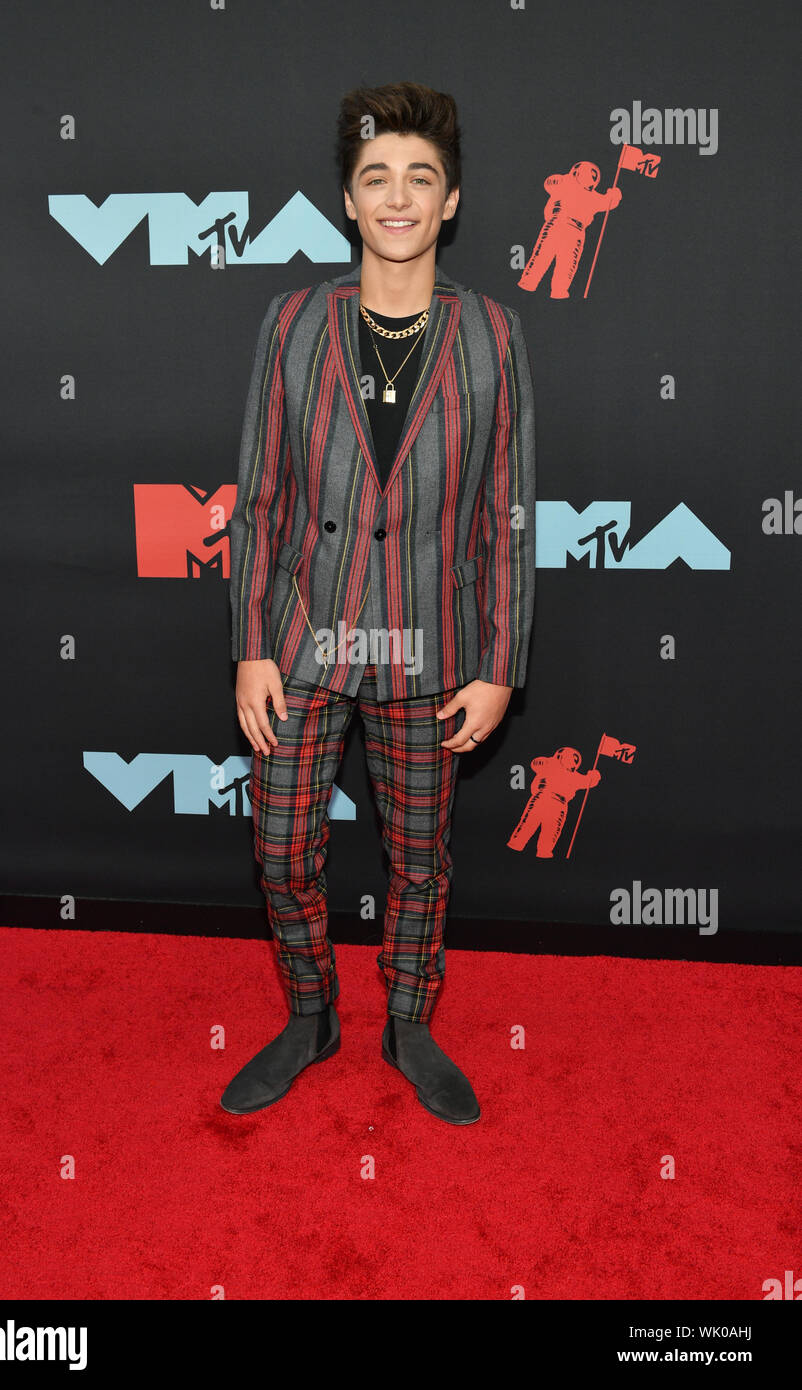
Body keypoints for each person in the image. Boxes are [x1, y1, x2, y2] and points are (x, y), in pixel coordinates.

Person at [221, 81, 536, 1124]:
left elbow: (506, 513)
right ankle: (310, 1012)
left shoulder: (493, 334)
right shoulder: (292, 323)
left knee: (418, 858)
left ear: (449, 202)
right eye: (375, 179)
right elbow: (262, 497)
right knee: (279, 848)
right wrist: (249, 647)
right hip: (304, 639)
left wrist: (499, 662)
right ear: (347, 202)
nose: (396, 197)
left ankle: (407, 1021)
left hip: (427, 645)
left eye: (419, 178)